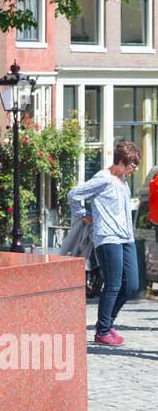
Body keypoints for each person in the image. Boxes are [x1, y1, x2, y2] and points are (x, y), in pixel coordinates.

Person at [68, 141, 141, 345]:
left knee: (132, 284)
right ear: (120, 162)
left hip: (126, 237)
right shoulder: (103, 179)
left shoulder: (123, 179)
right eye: (132, 165)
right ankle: (102, 331)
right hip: (108, 237)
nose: (135, 169)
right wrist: (84, 214)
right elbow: (74, 194)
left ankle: (106, 323)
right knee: (113, 284)